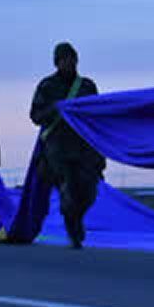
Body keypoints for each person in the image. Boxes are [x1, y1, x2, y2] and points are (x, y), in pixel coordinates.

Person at [30, 42, 104, 249]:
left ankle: (77, 218)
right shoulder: (47, 86)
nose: (68, 63)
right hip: (58, 148)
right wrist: (54, 109)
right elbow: (35, 116)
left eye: (71, 58)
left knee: (89, 192)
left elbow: (97, 114)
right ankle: (73, 228)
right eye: (63, 59)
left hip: (84, 147)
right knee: (68, 189)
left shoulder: (87, 86)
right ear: (56, 62)